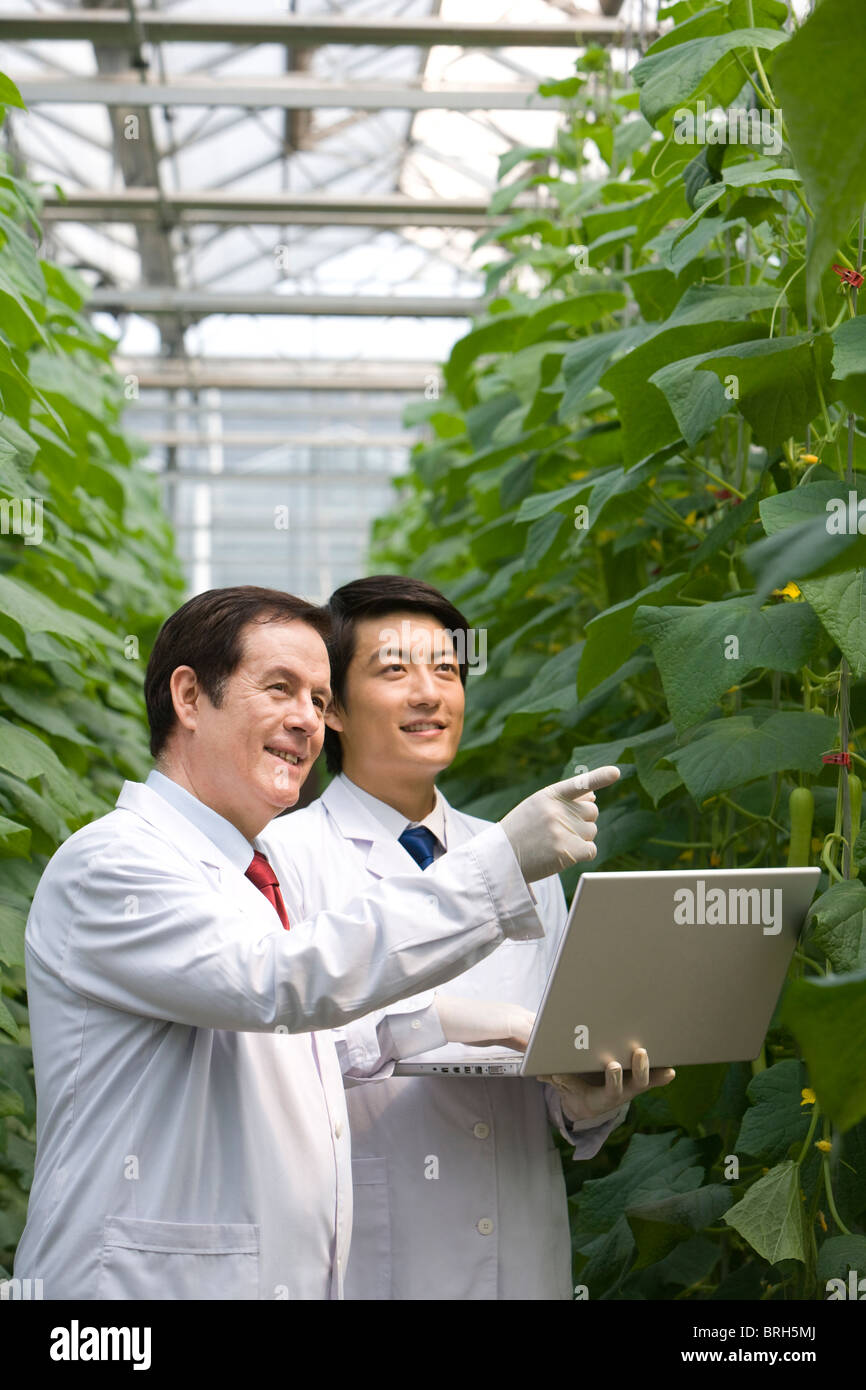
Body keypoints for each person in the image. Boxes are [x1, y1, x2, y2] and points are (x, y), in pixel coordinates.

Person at [12, 585, 618, 1301]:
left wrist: (455, 1025)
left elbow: (301, 1046)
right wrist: (500, 868)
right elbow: (277, 983)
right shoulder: (114, 865)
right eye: (280, 689)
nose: (306, 719)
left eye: (315, 696)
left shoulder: (244, 875)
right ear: (187, 696)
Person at [261, 576, 675, 1301]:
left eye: (446, 670)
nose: (430, 693)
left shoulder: (525, 858)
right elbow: (270, 1069)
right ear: (334, 712)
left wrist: (593, 1096)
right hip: (371, 1265)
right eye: (394, 671)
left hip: (521, 1256)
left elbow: (557, 1074)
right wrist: (435, 1027)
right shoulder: (283, 859)